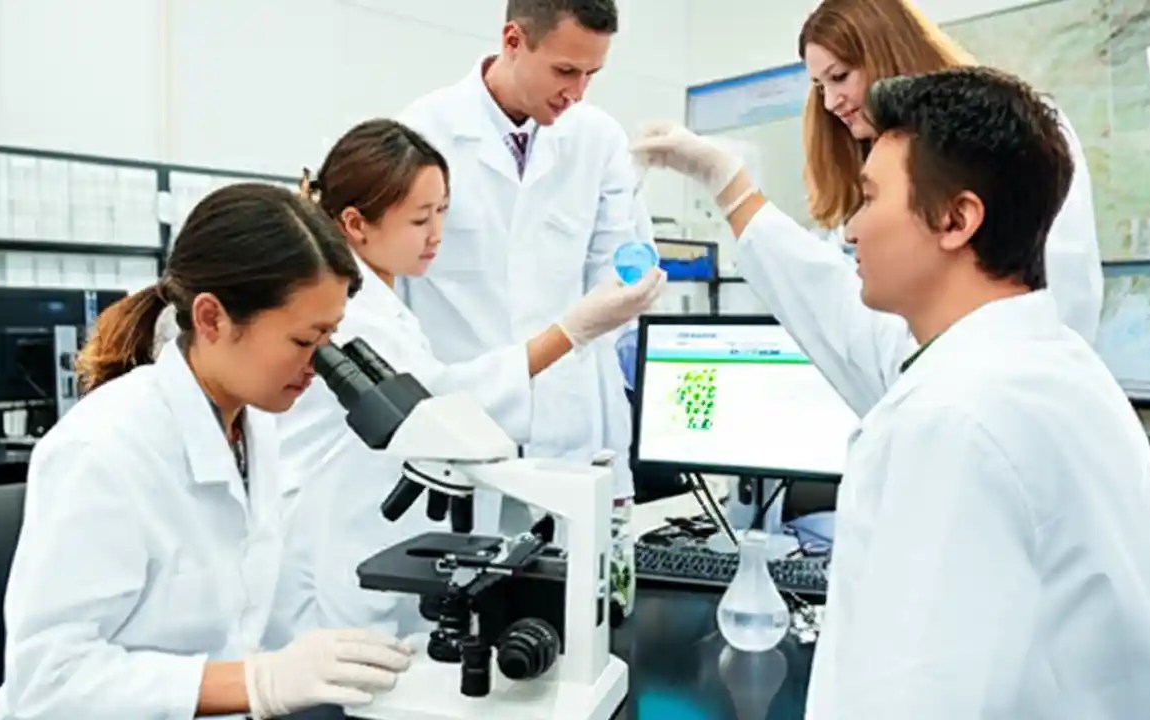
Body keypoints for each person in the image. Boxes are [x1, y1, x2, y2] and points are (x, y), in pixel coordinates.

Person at [640, 67, 1150, 718]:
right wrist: (729, 189)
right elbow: (841, 317)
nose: (849, 231)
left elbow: (915, 700)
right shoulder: (1049, 371)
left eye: (869, 199)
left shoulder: (956, 421)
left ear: (956, 219)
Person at [0, 185, 415, 720]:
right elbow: (51, 683)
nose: (317, 366)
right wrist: (258, 681)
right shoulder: (103, 450)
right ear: (211, 318)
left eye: (329, 340)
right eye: (304, 342)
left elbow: (236, 619)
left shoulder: (253, 428)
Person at [272, 119, 664, 638]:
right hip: (330, 552)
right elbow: (434, 407)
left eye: (442, 213)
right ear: (355, 223)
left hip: (369, 536)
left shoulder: (382, 301)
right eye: (419, 220)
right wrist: (572, 329)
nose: (437, 235)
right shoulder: (346, 311)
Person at [649, 0, 1103, 419]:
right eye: (818, 85)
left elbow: (1057, 307)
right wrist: (730, 189)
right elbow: (849, 315)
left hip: (998, 407)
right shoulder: (876, 158)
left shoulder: (1011, 144)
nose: (830, 102)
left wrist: (732, 188)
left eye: (841, 76)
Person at [396, 0, 649, 523]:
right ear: (513, 40)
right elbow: (393, 297)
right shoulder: (422, 133)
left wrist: (616, 465)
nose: (577, 93)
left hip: (567, 440)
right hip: (459, 433)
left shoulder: (598, 140)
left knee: (564, 598)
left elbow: (614, 297)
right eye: (565, 71)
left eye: (591, 75)